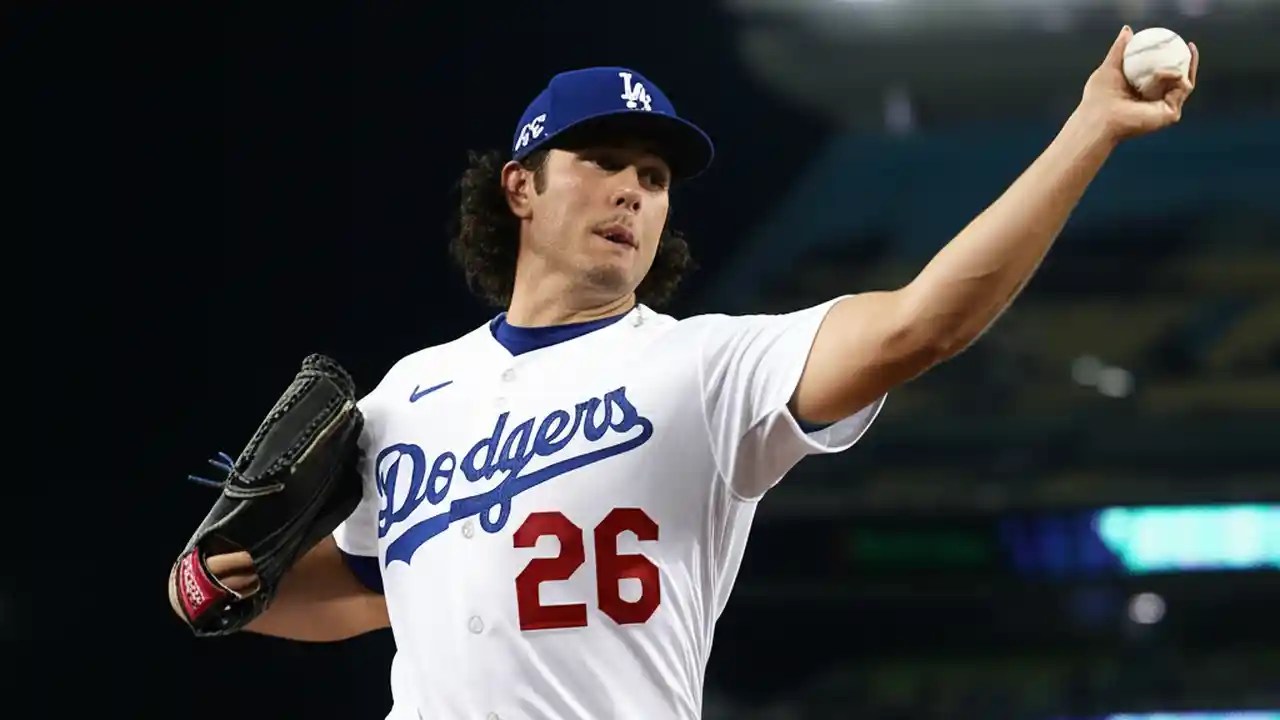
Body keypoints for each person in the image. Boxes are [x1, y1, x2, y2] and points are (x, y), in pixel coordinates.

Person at [175, 28, 1197, 720]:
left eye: (654, 176)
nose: (632, 189)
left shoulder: (705, 367)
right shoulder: (409, 394)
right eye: (603, 161)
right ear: (520, 189)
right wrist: (223, 591)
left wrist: (1089, 128)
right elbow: (361, 588)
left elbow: (920, 326)